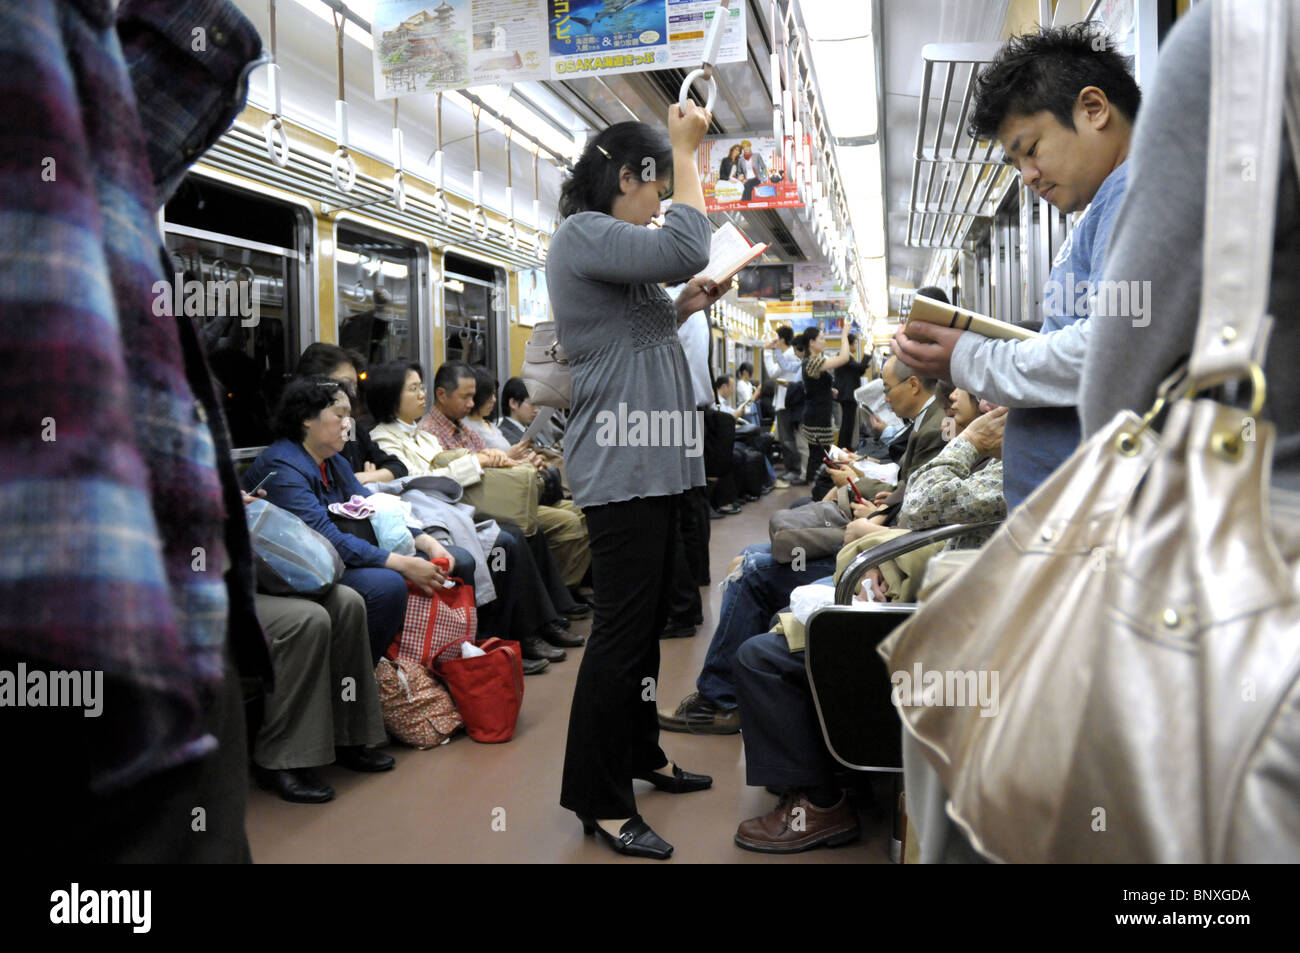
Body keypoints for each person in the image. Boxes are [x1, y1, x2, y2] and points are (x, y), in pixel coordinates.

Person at [548, 104, 730, 858]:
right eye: (656, 187)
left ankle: (641, 753)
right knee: (620, 638)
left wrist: (683, 306)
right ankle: (599, 797)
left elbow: (639, 333)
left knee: (649, 626)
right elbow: (689, 241)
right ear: (628, 176)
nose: (661, 205)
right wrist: (686, 147)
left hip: (652, 461)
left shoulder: (612, 255)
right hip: (620, 469)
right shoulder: (583, 234)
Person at [892, 23, 1139, 510]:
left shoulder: (1139, 191)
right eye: (1016, 163)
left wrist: (971, 360)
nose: (1028, 176)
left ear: (1093, 109)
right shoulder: (1109, 203)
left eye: (1031, 149)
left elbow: (1112, 349)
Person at [366, 361, 581, 668]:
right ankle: (505, 638)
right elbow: (416, 478)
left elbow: (447, 466)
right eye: (413, 389)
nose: (421, 395)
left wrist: (486, 460)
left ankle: (527, 630)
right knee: (506, 540)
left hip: (452, 508)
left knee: (515, 536)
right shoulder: (383, 438)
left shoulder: (423, 437)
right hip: (428, 520)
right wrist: (476, 462)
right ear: (390, 395)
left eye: (421, 387)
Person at [244, 378, 467, 664]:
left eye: (349, 415)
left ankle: (436, 668)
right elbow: (324, 538)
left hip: (338, 554)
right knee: (386, 585)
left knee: (457, 558)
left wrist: (426, 540)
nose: (347, 424)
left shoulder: (333, 460)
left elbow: (375, 508)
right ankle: (357, 678)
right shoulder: (283, 466)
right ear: (306, 419)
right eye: (339, 415)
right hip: (304, 567)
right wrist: (403, 563)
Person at [422, 361, 594, 596]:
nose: (473, 404)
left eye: (475, 397)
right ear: (441, 394)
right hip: (470, 507)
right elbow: (437, 481)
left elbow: (492, 462)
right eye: (466, 397)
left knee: (538, 525)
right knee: (516, 535)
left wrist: (518, 463)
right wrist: (487, 461)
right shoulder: (428, 433)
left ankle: (557, 601)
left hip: (490, 498)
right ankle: (556, 599)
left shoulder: (465, 429)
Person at [294, 343, 407, 485]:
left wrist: (367, 478)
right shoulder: (297, 453)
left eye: (355, 386)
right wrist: (356, 483)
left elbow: (398, 467)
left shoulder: (351, 428)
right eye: (346, 385)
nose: (351, 394)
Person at [796, 324, 855, 484]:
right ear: (811, 343)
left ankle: (816, 487)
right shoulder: (812, 362)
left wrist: (828, 391)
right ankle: (815, 488)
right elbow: (844, 358)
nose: (824, 342)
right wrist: (844, 334)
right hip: (816, 415)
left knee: (819, 453)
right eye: (821, 338)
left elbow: (815, 386)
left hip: (818, 412)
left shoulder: (812, 361)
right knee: (818, 455)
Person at [764, 325, 805, 484]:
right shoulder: (789, 354)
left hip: (785, 402)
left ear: (781, 339)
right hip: (789, 401)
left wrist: (767, 352)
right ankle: (793, 469)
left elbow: (773, 373)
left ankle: (793, 470)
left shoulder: (787, 355)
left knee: (787, 438)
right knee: (789, 437)